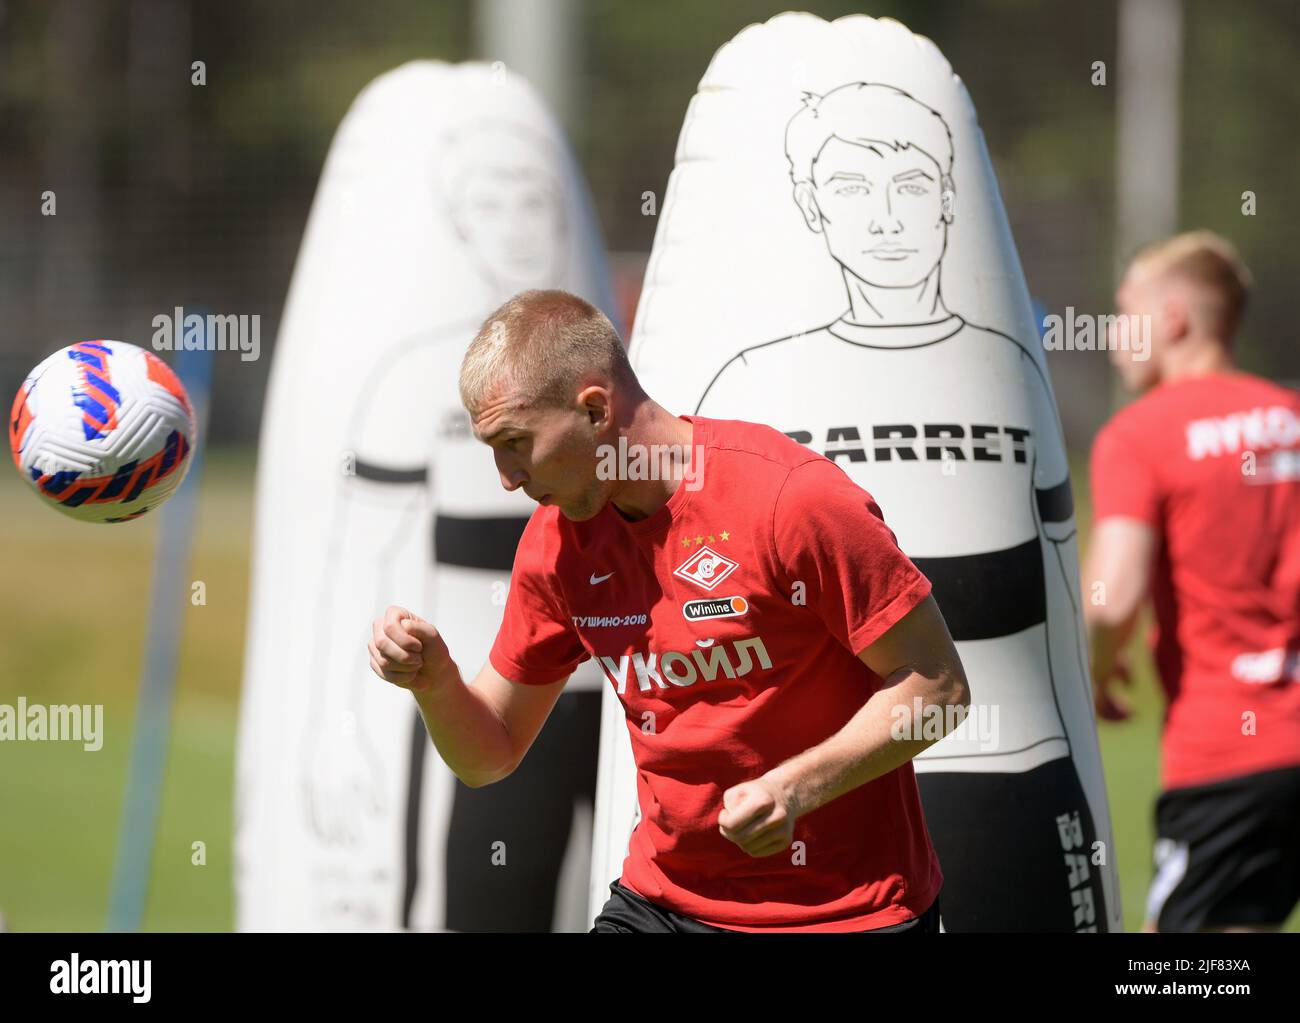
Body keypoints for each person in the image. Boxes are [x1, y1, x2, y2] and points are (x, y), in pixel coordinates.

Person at [368, 288, 970, 932]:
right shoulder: (557, 544)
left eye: (516, 442)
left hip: (846, 913)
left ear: (596, 409)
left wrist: (794, 789)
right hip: (662, 905)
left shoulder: (791, 500)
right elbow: (490, 753)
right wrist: (434, 683)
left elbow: (940, 689)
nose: (507, 478)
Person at [1083, 230, 1300, 933]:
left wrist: (1095, 670)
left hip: (1232, 752)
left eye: (1123, 311)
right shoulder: (1291, 416)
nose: (1112, 335)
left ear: (1171, 318)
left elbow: (1112, 595)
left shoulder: (1141, 432)